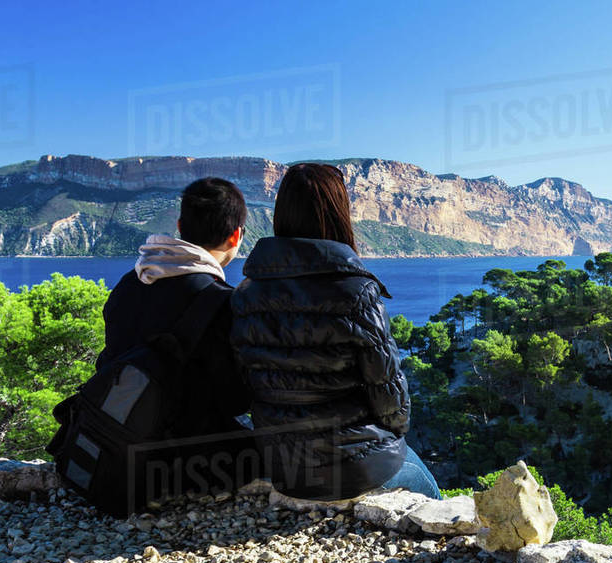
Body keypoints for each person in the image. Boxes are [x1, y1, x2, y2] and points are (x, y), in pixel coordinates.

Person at [229, 162, 440, 501]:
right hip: (355, 465)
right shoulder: (356, 292)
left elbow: (248, 383)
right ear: (339, 213)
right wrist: (393, 435)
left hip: (285, 467)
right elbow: (391, 400)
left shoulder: (245, 294)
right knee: (433, 494)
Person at [92, 177, 255, 499]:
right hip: (182, 461)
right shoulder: (220, 301)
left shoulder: (129, 284)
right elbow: (235, 398)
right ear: (236, 236)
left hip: (116, 444)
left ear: (180, 226)